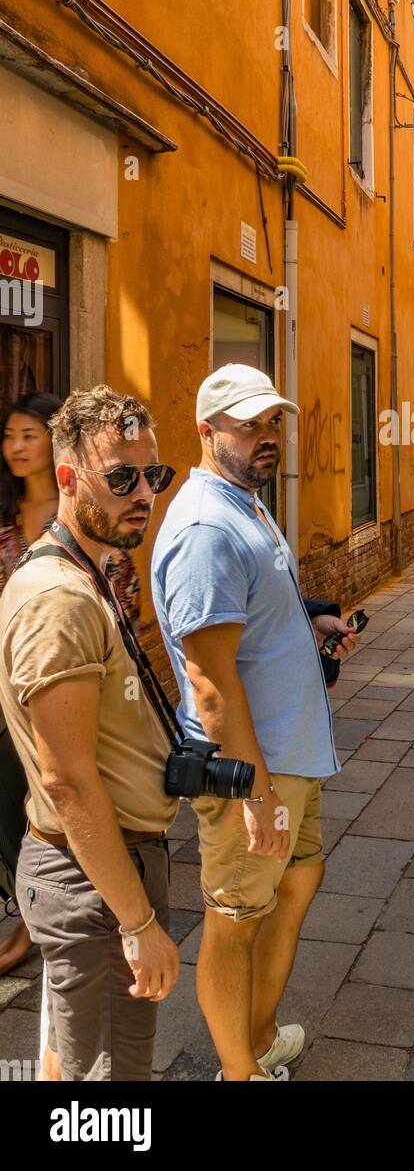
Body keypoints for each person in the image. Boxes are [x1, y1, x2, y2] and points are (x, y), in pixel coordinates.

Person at [151, 365, 361, 1082]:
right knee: (234, 920)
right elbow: (210, 680)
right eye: (249, 425)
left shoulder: (243, 500)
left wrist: (311, 620)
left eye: (273, 422)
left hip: (292, 754)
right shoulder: (207, 526)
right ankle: (238, 1074)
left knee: (300, 880)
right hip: (255, 767)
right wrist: (258, 794)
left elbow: (251, 620)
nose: (267, 437)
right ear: (207, 433)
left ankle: (261, 1033)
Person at [0, 386, 180, 1081]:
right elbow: (67, 778)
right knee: (102, 1079)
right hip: (90, 882)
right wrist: (137, 925)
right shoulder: (59, 600)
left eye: (153, 476)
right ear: (70, 479)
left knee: (84, 1062)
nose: (144, 493)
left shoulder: (91, 569)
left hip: (110, 868)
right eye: (122, 478)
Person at [0, 393, 142, 994]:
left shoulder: (103, 551)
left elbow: (124, 631)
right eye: (10, 434)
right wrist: (142, 924)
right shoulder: (8, 523)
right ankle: (36, 901)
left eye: (28, 433)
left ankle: (35, 908)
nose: (15, 445)